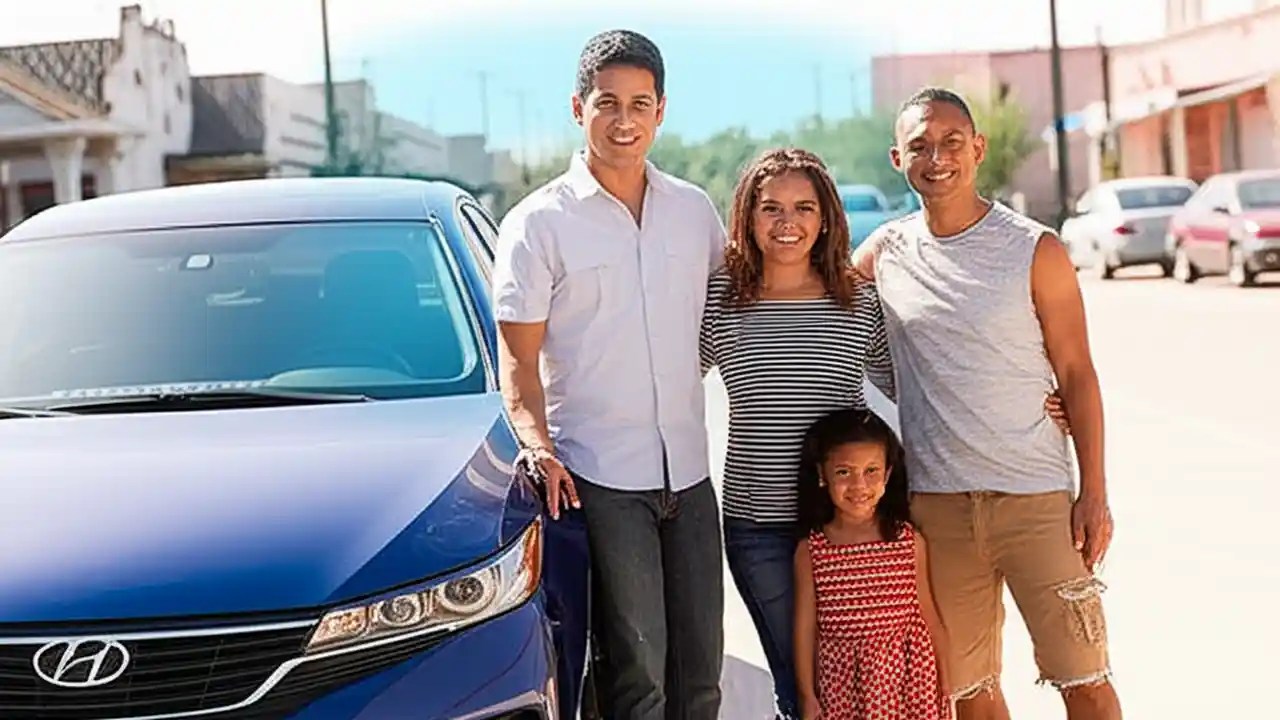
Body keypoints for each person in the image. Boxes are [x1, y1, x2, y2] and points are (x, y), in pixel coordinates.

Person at [699, 147, 1068, 719]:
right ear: (747, 217)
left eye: (803, 207)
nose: (787, 223)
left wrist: (1034, 399)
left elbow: (925, 380)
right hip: (761, 525)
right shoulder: (722, 304)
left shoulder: (858, 302)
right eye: (770, 209)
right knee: (802, 692)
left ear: (826, 218)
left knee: (870, 686)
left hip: (855, 527)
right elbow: (665, 383)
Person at [853, 87, 1122, 719]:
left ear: (977, 148)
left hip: (1037, 503)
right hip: (938, 509)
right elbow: (819, 295)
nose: (937, 157)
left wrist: (1095, 491)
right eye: (920, 146)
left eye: (952, 142)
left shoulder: (1035, 249)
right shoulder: (887, 252)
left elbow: (1078, 372)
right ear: (899, 158)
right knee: (967, 691)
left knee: (1084, 675)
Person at [493, 29, 726, 720]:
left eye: (640, 104)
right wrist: (538, 447)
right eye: (607, 103)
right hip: (601, 478)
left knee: (702, 670)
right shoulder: (538, 224)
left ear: (660, 112)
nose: (624, 120)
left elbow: (728, 321)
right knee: (637, 672)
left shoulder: (694, 212)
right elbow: (518, 366)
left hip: (688, 469)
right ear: (578, 107)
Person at [793, 407, 952, 720]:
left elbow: (929, 616)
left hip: (909, 681)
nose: (858, 485)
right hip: (842, 685)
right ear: (822, 476)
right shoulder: (813, 549)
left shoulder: (907, 539)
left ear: (888, 474)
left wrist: (945, 683)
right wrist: (807, 694)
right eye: (843, 472)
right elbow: (804, 627)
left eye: (871, 471)